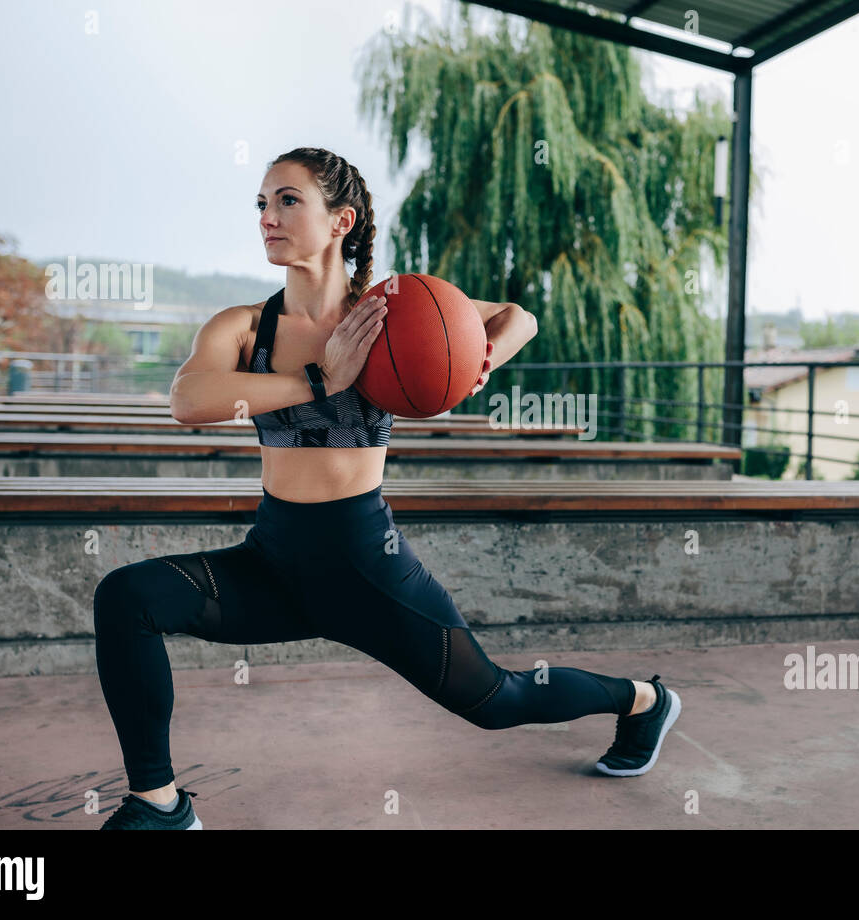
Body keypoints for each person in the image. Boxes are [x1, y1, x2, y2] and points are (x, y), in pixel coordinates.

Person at [92, 147, 681, 830]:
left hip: (370, 568)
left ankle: (644, 700)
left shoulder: (396, 314)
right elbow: (187, 401)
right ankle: (160, 806)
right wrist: (319, 379)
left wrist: (475, 359)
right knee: (126, 597)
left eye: (288, 200)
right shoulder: (245, 326)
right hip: (272, 565)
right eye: (261, 203)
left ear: (341, 220)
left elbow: (519, 316)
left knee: (498, 701)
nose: (267, 217)